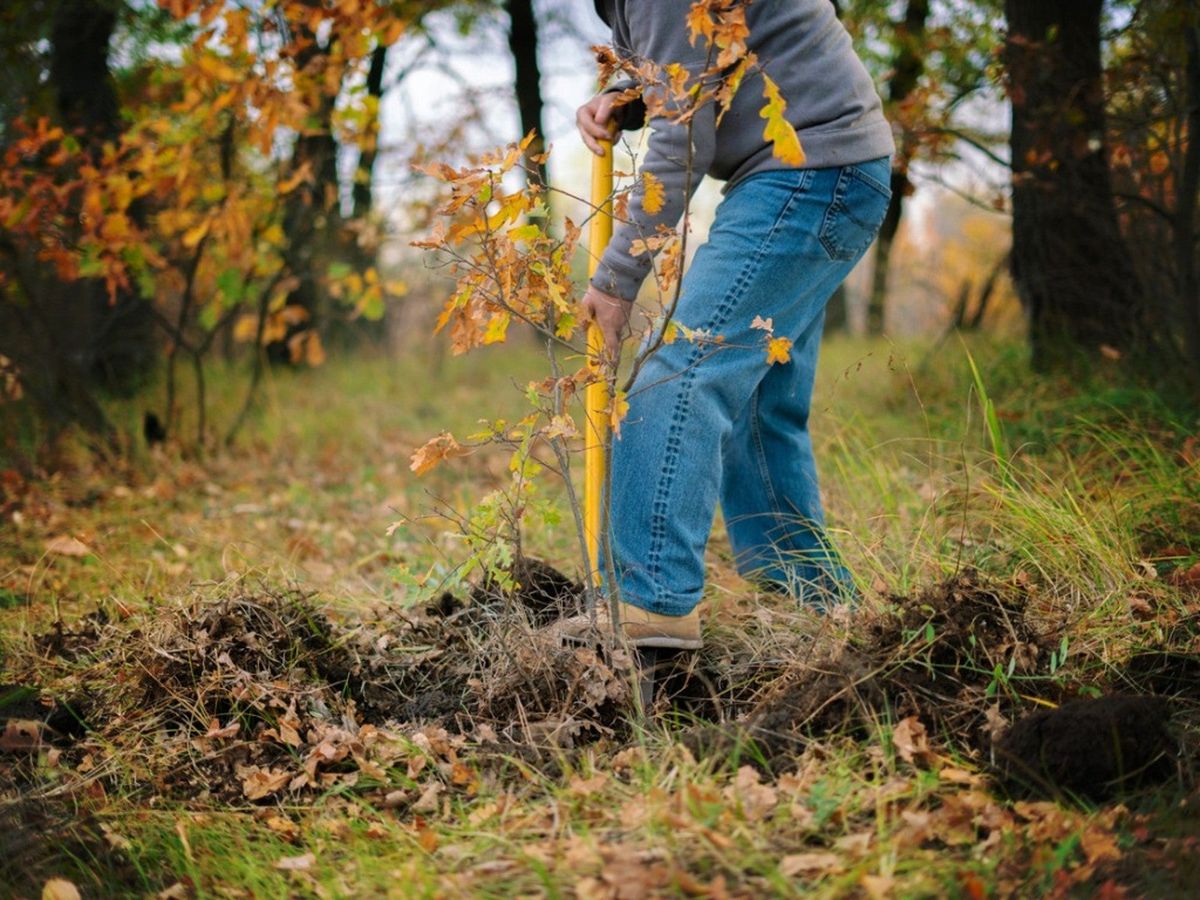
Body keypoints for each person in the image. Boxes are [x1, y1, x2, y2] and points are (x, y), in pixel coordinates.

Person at [569, 0, 894, 650]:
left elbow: (685, 140)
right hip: (832, 170)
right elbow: (707, 67)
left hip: (807, 175)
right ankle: (820, 612)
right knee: (756, 406)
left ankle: (650, 602)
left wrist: (614, 279)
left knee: (680, 373)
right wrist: (631, 95)